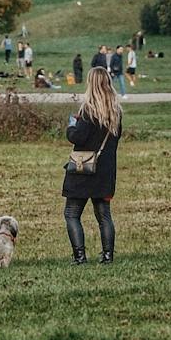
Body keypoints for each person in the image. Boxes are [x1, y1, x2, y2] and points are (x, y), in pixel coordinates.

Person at [63, 68, 122, 266]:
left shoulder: (88, 111)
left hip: (83, 168)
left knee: (71, 213)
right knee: (104, 215)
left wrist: (72, 124)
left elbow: (76, 137)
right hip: (105, 170)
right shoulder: (115, 112)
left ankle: (80, 257)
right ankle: (107, 256)